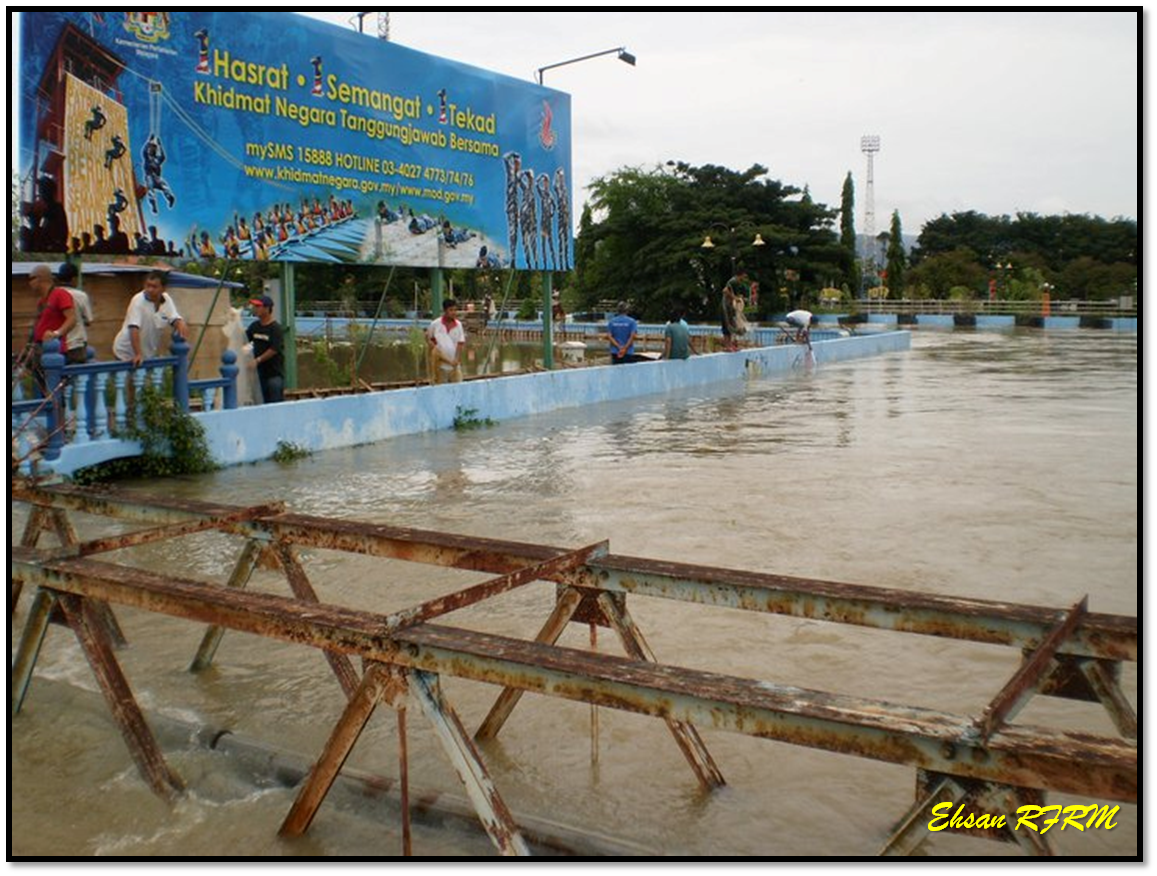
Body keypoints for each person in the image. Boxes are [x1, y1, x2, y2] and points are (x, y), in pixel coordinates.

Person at [113, 270, 189, 366]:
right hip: (126, 352)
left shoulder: (166, 300)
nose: (150, 289)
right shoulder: (138, 301)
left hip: (148, 353)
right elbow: (134, 329)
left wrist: (180, 323)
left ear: (163, 288)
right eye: (148, 285)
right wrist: (138, 354)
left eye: (154, 287)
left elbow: (174, 318)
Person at [26, 264, 77, 393]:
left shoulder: (60, 294)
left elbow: (72, 319)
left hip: (55, 351)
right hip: (39, 351)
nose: (29, 283)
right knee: (42, 391)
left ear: (41, 279)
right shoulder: (41, 301)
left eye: (31, 279)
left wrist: (56, 333)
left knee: (54, 392)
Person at [245, 295, 284, 403]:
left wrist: (258, 360)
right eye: (254, 306)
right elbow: (244, 340)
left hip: (273, 374)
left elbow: (274, 349)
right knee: (259, 400)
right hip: (258, 374)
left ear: (267, 308)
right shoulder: (254, 326)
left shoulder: (275, 328)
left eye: (258, 306)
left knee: (274, 401)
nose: (255, 309)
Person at [55, 262, 94, 365]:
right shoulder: (80, 296)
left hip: (56, 344)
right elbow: (89, 320)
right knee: (76, 376)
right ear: (74, 279)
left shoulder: (54, 294)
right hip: (76, 345)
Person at [426, 298, 467, 384]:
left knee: (457, 390)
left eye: (455, 310)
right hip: (440, 366)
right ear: (445, 311)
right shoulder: (435, 324)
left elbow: (460, 343)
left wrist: (456, 360)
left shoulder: (458, 325)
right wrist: (436, 352)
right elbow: (429, 339)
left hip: (455, 366)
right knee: (440, 391)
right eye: (451, 310)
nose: (454, 312)